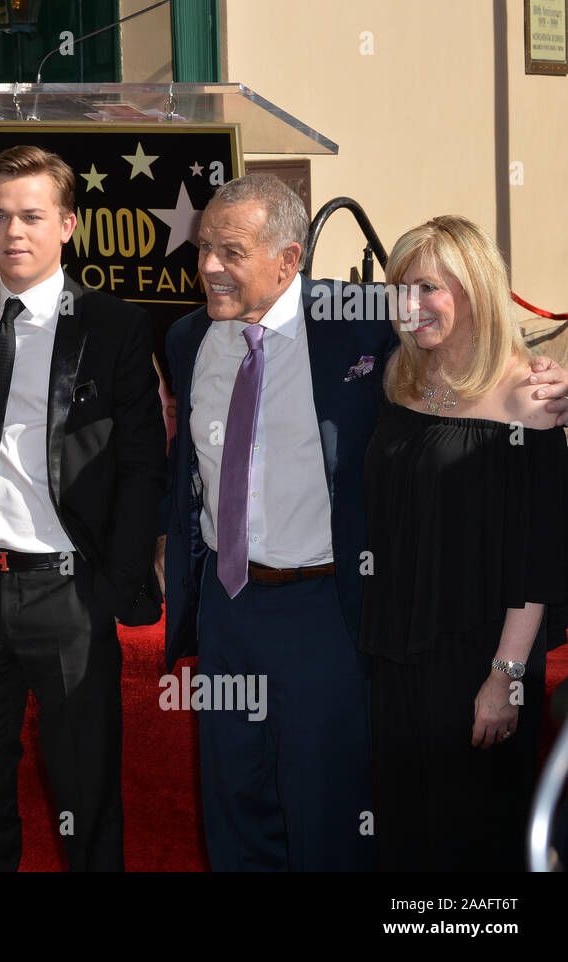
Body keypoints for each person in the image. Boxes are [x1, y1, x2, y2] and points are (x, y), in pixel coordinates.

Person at [161, 174, 567, 872]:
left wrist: (549, 381)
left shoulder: (357, 324)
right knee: (235, 806)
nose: (208, 268)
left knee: (328, 816)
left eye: (230, 250)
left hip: (327, 612)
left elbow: (470, 346)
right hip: (226, 614)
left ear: (289, 259)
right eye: (202, 249)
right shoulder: (187, 338)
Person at [0, 145, 166, 872]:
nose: (15, 232)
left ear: (67, 224)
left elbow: (141, 465)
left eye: (32, 216)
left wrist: (107, 589)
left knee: (84, 790)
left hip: (67, 590)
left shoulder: (113, 326)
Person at [359, 215, 567, 871]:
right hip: (397, 653)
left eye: (428, 289)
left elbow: (540, 555)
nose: (408, 307)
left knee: (473, 840)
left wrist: (504, 677)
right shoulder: (399, 379)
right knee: (406, 836)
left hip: (480, 659)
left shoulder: (530, 398)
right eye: (400, 289)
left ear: (475, 291)